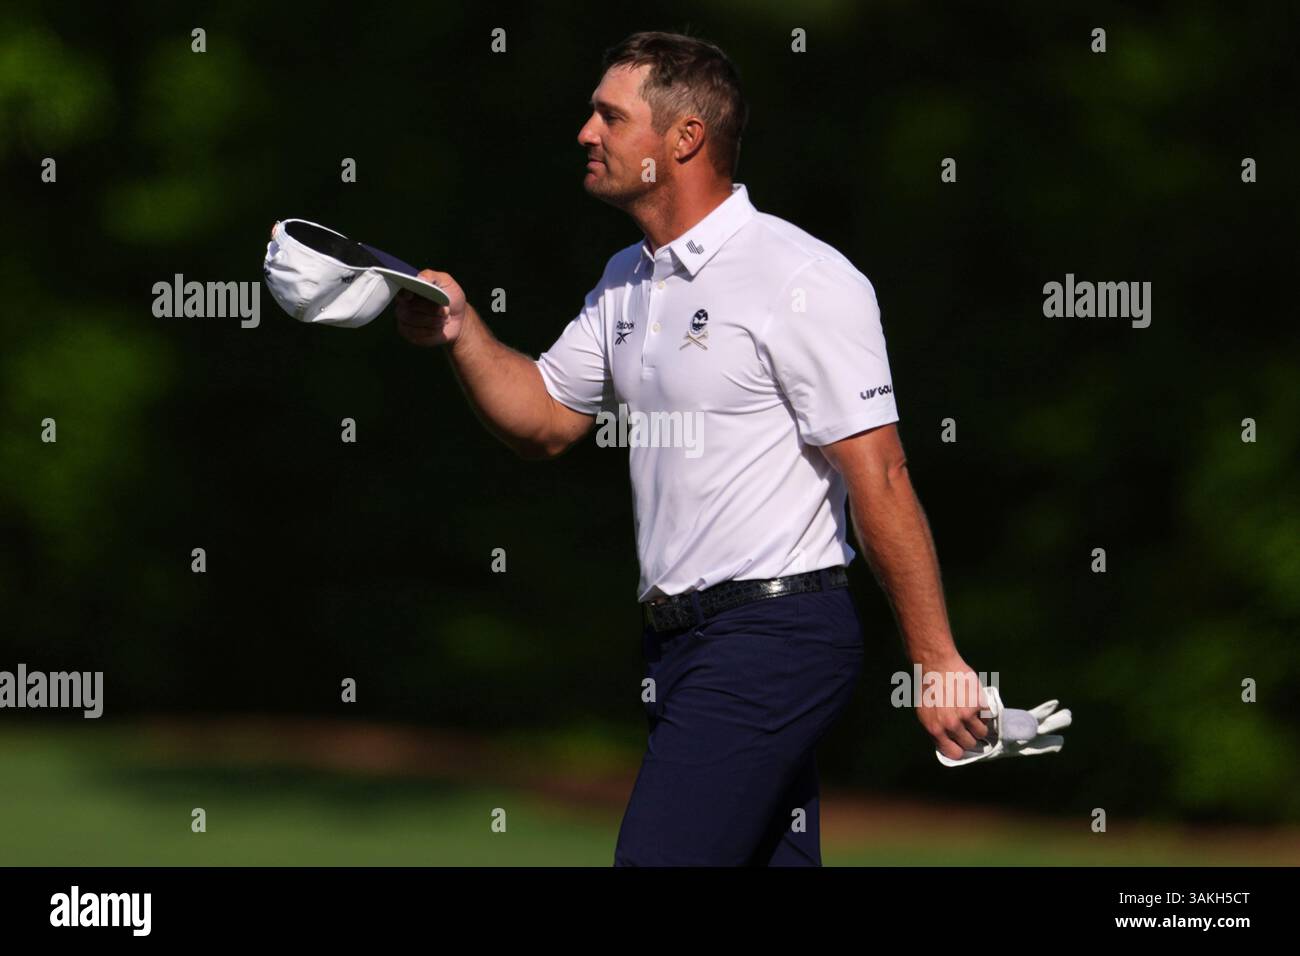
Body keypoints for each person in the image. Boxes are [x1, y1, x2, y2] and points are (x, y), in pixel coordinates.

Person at [396, 30, 989, 866]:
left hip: (775, 638)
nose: (585, 132)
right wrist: (460, 329)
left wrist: (935, 660)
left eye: (610, 114)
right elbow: (544, 419)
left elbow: (880, 473)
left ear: (684, 139)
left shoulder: (799, 275)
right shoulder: (626, 279)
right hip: (678, 648)